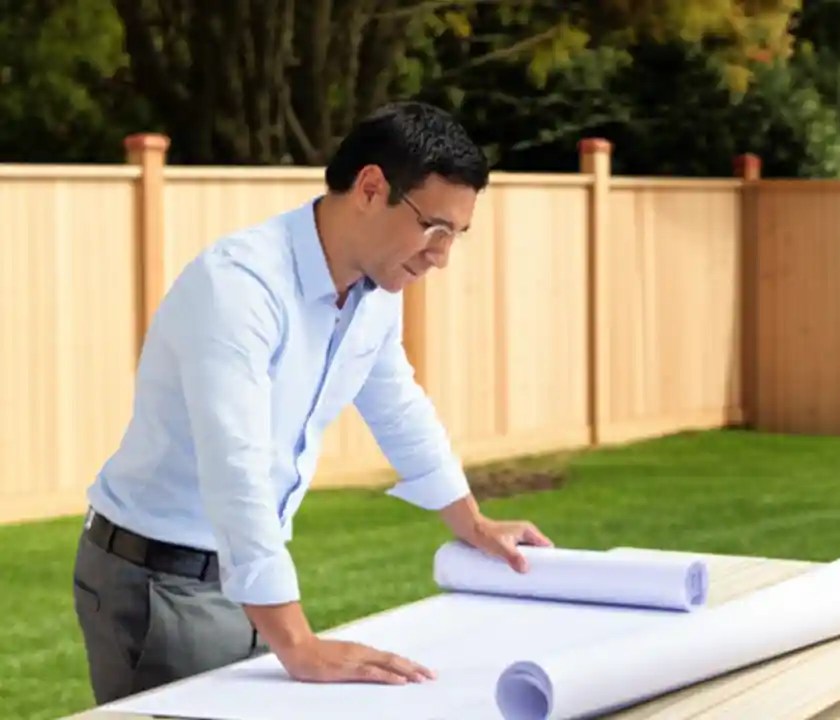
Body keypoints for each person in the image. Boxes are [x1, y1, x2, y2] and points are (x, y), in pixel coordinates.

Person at [72, 101, 552, 704]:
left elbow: (398, 405)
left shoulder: (372, 291)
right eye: (435, 229)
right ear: (372, 188)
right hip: (160, 584)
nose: (441, 256)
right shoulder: (239, 287)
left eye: (456, 236)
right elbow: (236, 469)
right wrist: (298, 643)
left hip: (240, 575)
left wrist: (474, 525)